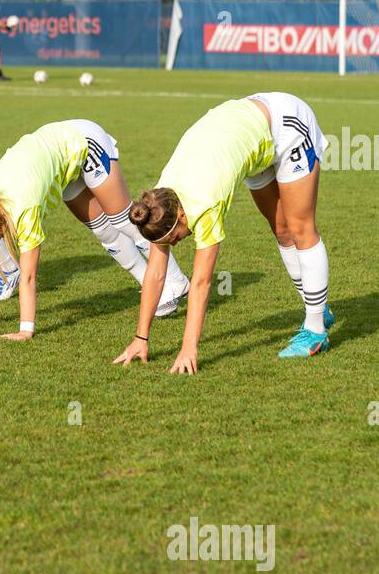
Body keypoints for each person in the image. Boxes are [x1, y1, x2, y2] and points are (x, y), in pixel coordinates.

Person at [115, 92, 334, 374]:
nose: (177, 243)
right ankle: (315, 307)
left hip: (284, 124)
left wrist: (188, 348)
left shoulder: (205, 204)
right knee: (281, 231)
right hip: (251, 139)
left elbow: (201, 283)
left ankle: (316, 330)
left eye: (175, 237)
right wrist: (140, 338)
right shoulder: (160, 202)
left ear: (182, 215)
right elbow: (156, 272)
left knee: (300, 228)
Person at [0, 120, 190, 341]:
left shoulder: (23, 209)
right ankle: (153, 288)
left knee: (123, 220)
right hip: (60, 163)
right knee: (103, 231)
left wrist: (26, 329)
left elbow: (28, 276)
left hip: (83, 143)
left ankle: (177, 282)